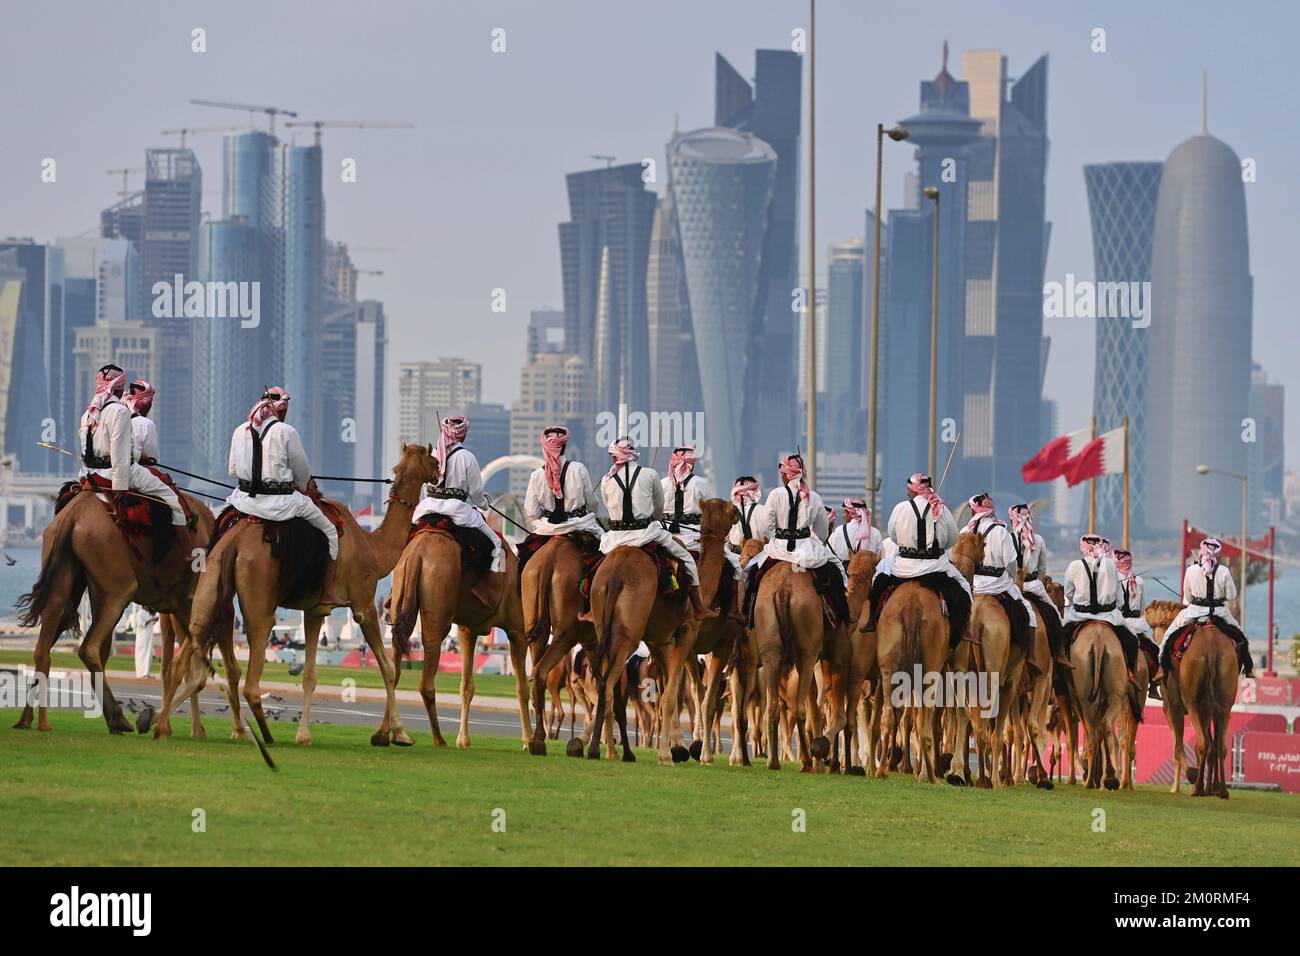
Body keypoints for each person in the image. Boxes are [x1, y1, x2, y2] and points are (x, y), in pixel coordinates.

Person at [226, 387, 343, 605]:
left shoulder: (239, 430)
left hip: (242, 500)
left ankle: (201, 571)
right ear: (283, 409)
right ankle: (328, 590)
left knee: (217, 526)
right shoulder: (286, 431)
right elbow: (303, 473)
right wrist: (293, 481)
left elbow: (233, 470)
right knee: (330, 530)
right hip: (280, 503)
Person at [597, 437, 716, 621]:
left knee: (595, 564)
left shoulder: (606, 480)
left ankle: (590, 606)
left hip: (615, 537)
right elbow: (658, 507)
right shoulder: (652, 475)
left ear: (616, 457)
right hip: (648, 534)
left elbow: (607, 504)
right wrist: (655, 519)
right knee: (687, 559)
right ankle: (699, 608)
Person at [78, 364, 186, 553]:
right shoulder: (120, 411)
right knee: (170, 496)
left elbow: (89, 449)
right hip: (115, 474)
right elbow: (118, 453)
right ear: (119, 388)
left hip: (88, 474)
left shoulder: (89, 411)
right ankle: (185, 551)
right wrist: (120, 486)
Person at [867, 473, 971, 647]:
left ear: (914, 490)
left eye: (909, 489)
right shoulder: (941, 509)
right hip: (935, 568)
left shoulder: (901, 508)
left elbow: (893, 535)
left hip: (903, 567)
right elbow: (952, 538)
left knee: (877, 582)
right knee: (964, 587)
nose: (907, 492)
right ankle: (966, 627)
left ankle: (870, 619)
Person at [412, 415, 505, 595]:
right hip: (458, 511)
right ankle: (486, 588)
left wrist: (431, 501)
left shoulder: (432, 455)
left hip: (427, 508)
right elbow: (477, 495)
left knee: (405, 539)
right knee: (496, 542)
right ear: (463, 435)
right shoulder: (467, 457)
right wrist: (485, 504)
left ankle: (395, 588)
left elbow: (424, 487)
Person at [1159, 538, 1254, 677]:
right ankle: (1248, 668)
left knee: (1168, 635)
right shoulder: (1224, 571)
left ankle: (1162, 668)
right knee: (1242, 637)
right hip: (1220, 613)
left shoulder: (1191, 570)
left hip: (1195, 612)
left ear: (1202, 551)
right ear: (1218, 552)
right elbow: (1232, 595)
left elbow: (1188, 598)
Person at [962, 493, 1038, 653]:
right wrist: (1011, 578)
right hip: (997, 584)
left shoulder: (965, 531)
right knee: (1029, 611)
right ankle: (1031, 655)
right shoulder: (1001, 532)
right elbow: (1010, 563)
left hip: (973, 586)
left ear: (974, 510)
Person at [1062, 534, 1140, 677]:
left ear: (1083, 548)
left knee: (1060, 639)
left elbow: (1068, 594)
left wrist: (1079, 603)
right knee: (1132, 638)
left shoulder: (1074, 566)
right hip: (1109, 616)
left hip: (1080, 616)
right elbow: (1119, 597)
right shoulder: (1111, 564)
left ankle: (1059, 674)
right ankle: (1131, 672)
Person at [1008, 503, 1070, 668]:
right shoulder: (1038, 540)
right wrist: (1038, 579)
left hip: (1011, 587)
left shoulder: (1007, 538)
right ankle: (1061, 654)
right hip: (1034, 586)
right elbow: (1042, 568)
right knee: (1056, 616)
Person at [522, 425, 603, 539]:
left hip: (547, 528)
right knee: (604, 550)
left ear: (545, 448)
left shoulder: (536, 475)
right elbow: (593, 503)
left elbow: (531, 511)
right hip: (579, 525)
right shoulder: (579, 469)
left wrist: (547, 516)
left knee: (523, 554)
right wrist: (591, 515)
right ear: (564, 447)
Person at [1113, 547, 1162, 690]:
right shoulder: (1138, 580)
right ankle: (1153, 684)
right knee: (1155, 650)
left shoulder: (1113, 579)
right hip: (1137, 623)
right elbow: (1142, 608)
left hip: (1119, 621)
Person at [659, 445, 712, 557]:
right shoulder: (701, 483)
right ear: (692, 464)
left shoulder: (662, 483)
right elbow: (710, 513)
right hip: (693, 539)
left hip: (665, 537)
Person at [830, 497, 883, 563]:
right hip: (868, 572)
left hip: (842, 572)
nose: (843, 516)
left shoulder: (839, 530)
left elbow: (830, 554)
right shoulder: (875, 533)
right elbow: (881, 559)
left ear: (851, 513)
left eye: (844, 512)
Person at [125, 379, 160, 466]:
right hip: (131, 474)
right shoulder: (146, 424)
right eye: (151, 400)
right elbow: (152, 461)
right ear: (147, 403)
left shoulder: (115, 416)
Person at [131, 604, 158, 679]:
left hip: (148, 638)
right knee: (142, 655)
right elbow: (141, 624)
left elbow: (151, 624)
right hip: (142, 639)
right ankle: (141, 673)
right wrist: (151, 619)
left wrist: (154, 620)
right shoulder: (141, 613)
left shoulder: (147, 613)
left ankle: (147, 673)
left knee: (148, 656)